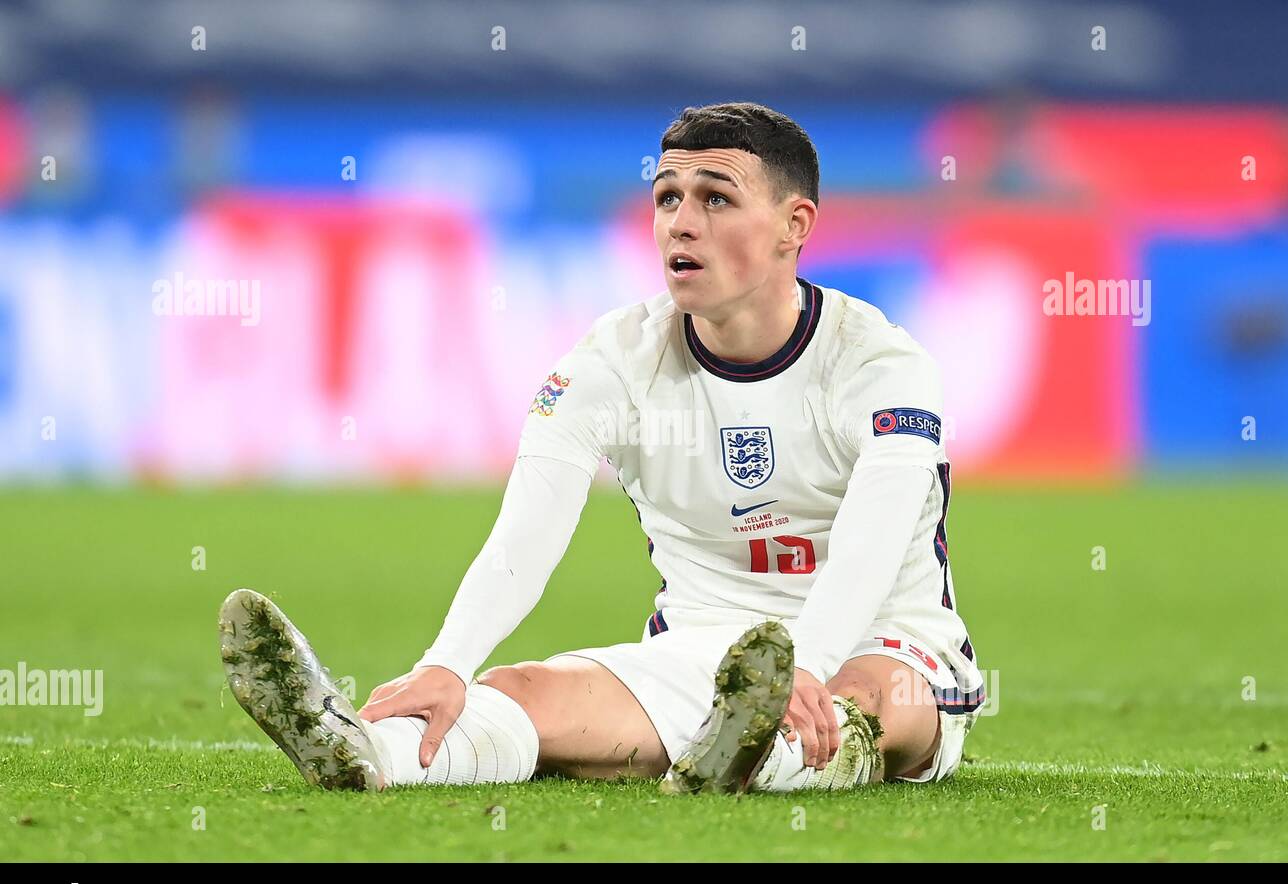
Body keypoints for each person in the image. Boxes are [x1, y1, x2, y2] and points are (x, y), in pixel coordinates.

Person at [220, 102, 986, 796]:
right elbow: (530, 528)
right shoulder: (615, 359)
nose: (682, 223)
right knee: (519, 691)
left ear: (795, 225)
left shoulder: (882, 364)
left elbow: (871, 543)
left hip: (882, 646)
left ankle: (765, 747)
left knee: (877, 700)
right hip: (705, 656)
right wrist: (448, 660)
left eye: (716, 198)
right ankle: (366, 753)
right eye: (667, 199)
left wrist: (809, 664)